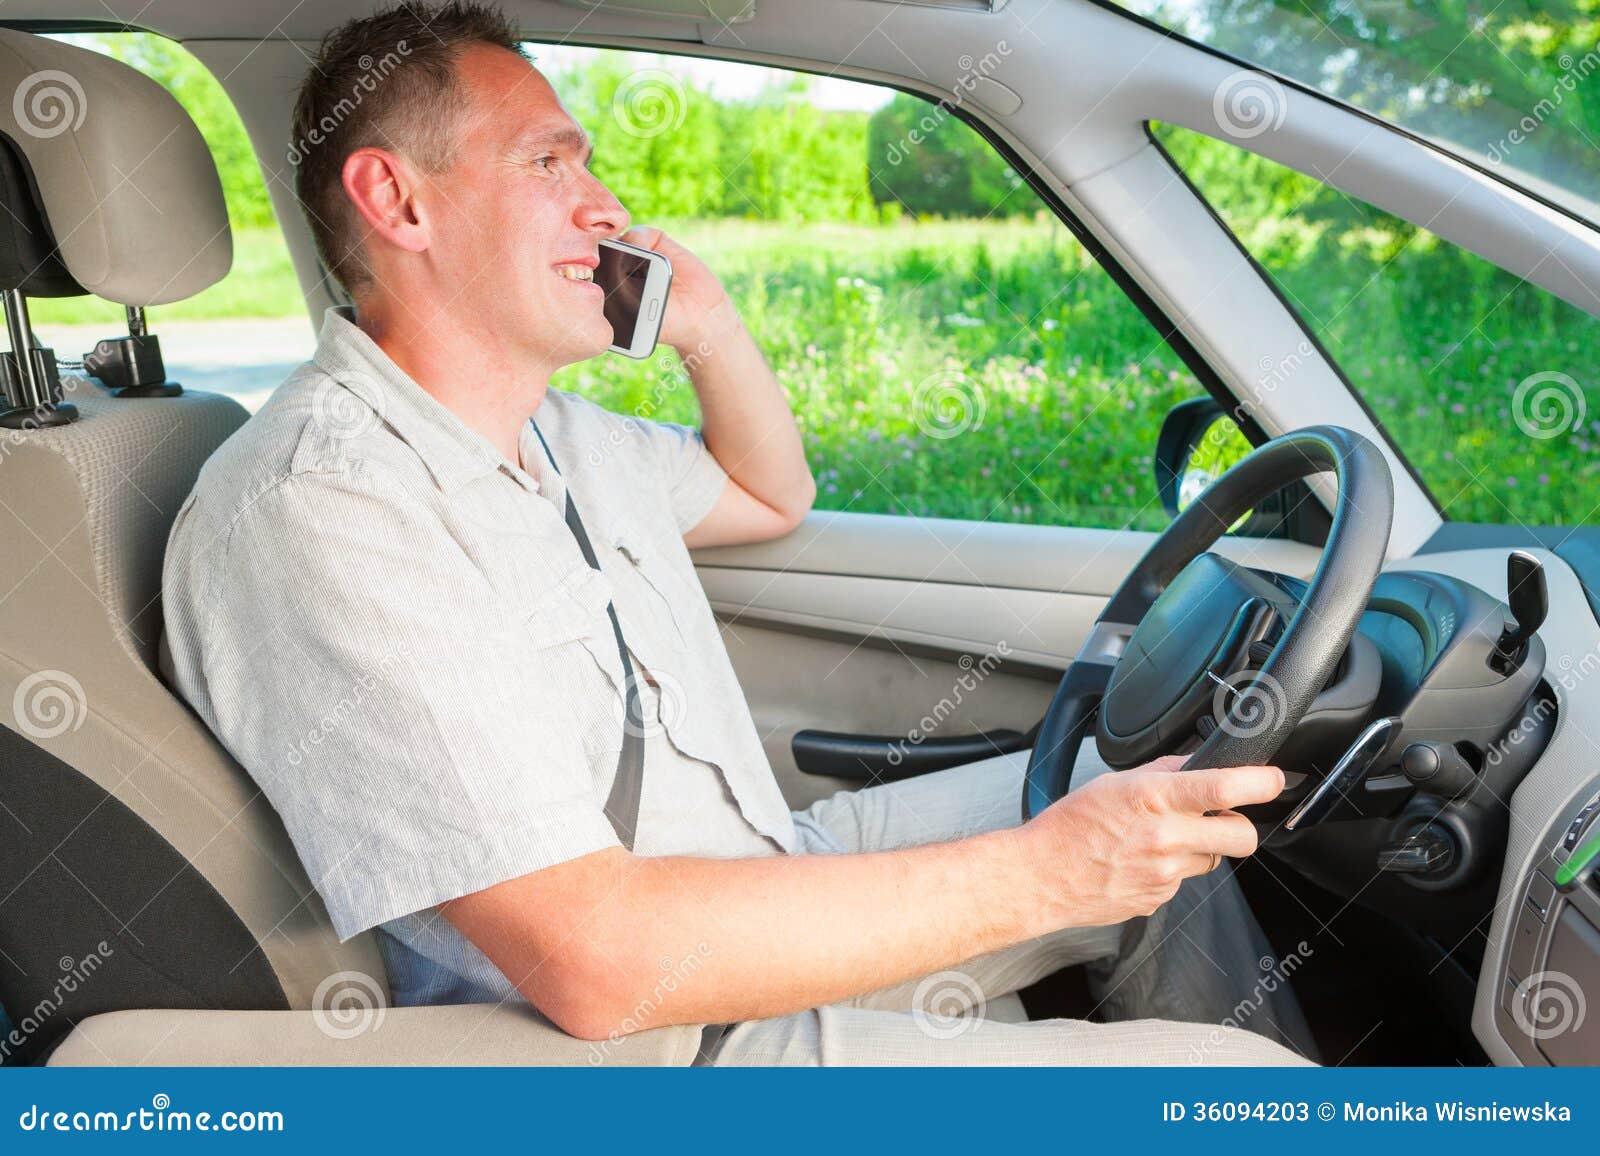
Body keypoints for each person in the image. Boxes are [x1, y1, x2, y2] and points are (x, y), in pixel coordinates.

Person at [162, 0, 1315, 1066]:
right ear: (398, 201)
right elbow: (594, 959)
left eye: (588, 162)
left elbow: (771, 497)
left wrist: (702, 326)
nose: (603, 202)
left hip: (764, 876)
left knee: (1161, 806)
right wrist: (1045, 873)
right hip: (659, 1039)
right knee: (1229, 1079)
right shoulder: (323, 508)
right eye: (547, 159)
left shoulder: (563, 431)